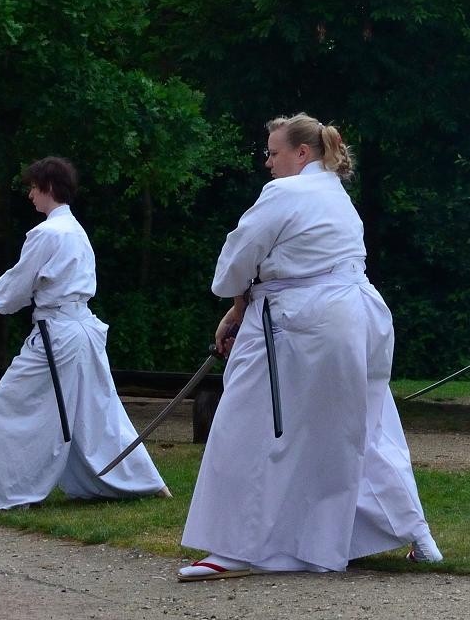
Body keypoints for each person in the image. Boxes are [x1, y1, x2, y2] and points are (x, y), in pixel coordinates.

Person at [178, 114, 441, 580]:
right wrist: (241, 306)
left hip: (303, 322)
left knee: (249, 425)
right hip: (357, 316)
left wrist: (237, 298)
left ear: (302, 153)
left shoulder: (287, 192)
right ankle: (416, 535)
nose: (267, 162)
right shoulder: (336, 195)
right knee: (360, 428)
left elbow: (235, 263)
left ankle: (237, 548)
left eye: (273, 153)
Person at [0, 156, 169, 509]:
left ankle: (14, 493)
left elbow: (16, 290)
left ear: (49, 188)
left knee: (8, 407)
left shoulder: (47, 233)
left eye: (33, 188)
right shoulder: (74, 231)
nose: (29, 196)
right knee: (97, 410)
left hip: (60, 336)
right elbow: (12, 279)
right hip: (78, 332)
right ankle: (144, 482)